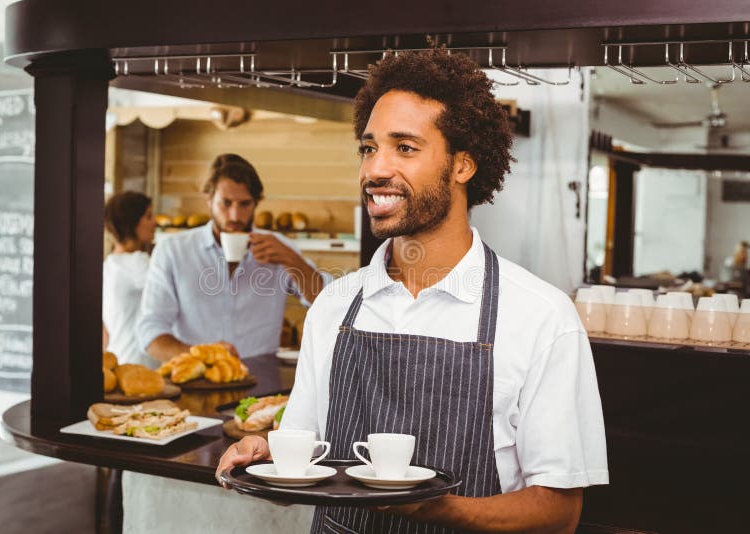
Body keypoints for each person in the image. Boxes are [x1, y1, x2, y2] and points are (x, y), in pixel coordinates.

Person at [217, 48, 608, 533]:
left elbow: (558, 513)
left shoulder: (541, 317)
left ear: (463, 165)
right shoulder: (335, 306)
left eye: (404, 147)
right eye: (368, 147)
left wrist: (442, 510)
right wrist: (266, 456)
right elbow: (301, 453)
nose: (375, 170)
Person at [135, 154, 330, 362]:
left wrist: (292, 260)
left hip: (262, 384)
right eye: (226, 203)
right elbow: (150, 330)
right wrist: (204, 357)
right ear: (209, 200)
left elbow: (326, 303)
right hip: (195, 381)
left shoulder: (278, 247)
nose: (235, 216)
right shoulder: (173, 250)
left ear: (256, 203)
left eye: (245, 204)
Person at [102, 191, 156, 367]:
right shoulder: (138, 262)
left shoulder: (109, 264)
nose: (154, 222)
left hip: (120, 359)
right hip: (145, 364)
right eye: (148, 216)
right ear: (133, 222)